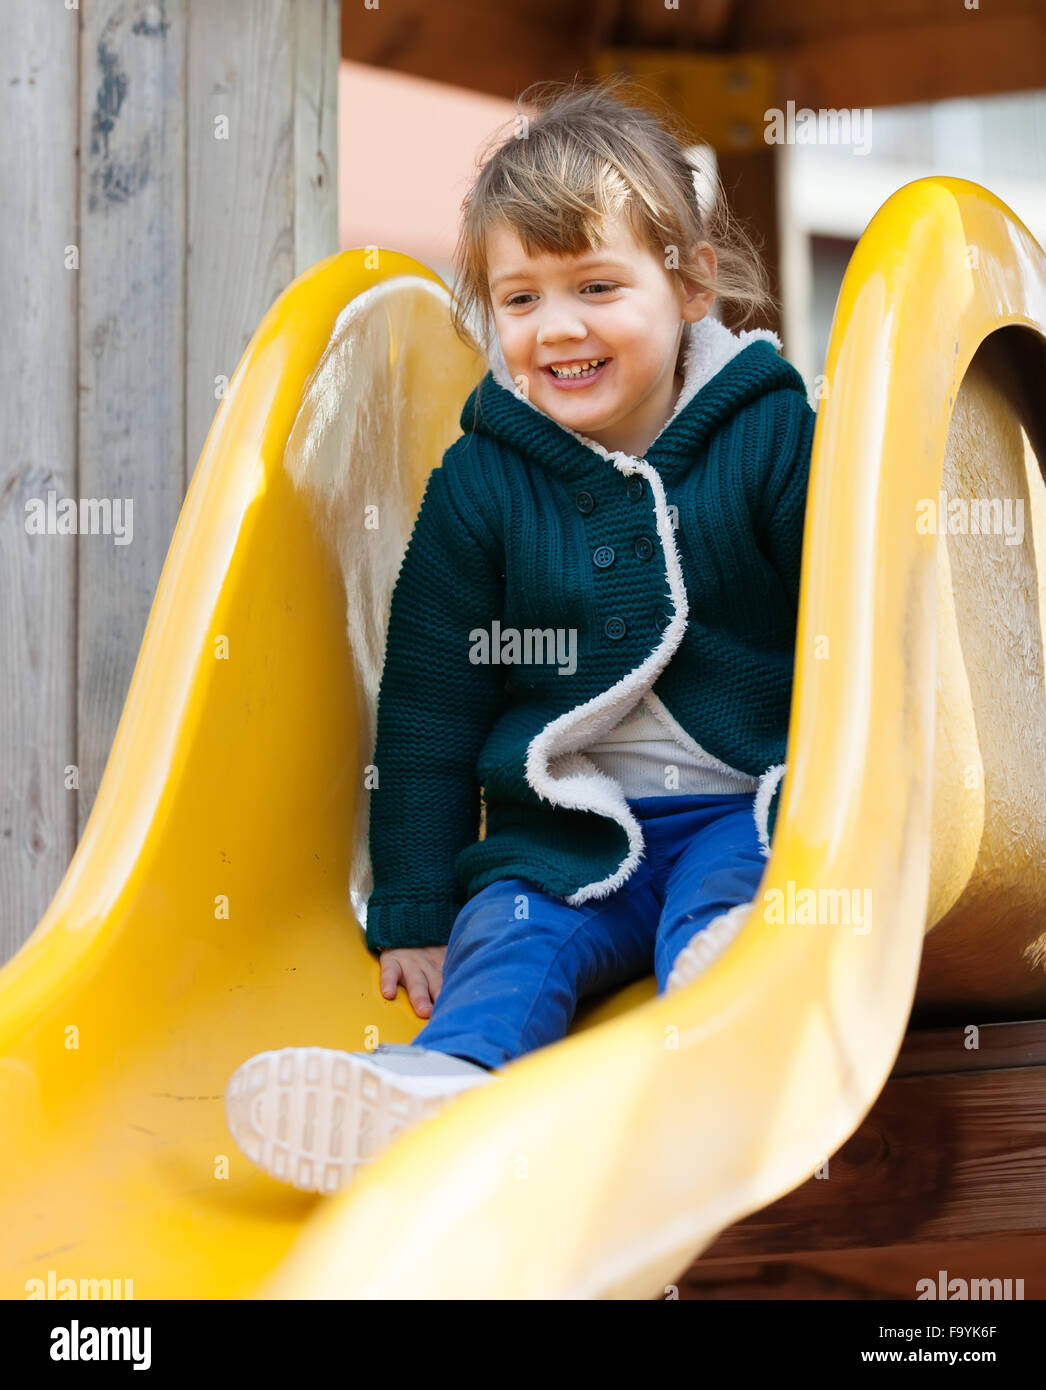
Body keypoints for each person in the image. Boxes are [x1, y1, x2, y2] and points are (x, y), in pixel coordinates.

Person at [225, 77, 816, 1195]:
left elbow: (849, 613)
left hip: (747, 797)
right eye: (520, 298)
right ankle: (440, 1088)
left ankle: (730, 1018)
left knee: (734, 910)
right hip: (565, 825)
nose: (557, 328)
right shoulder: (483, 481)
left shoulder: (770, 432)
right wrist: (412, 904)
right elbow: (430, 702)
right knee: (509, 934)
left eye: (596, 286)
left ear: (688, 284)